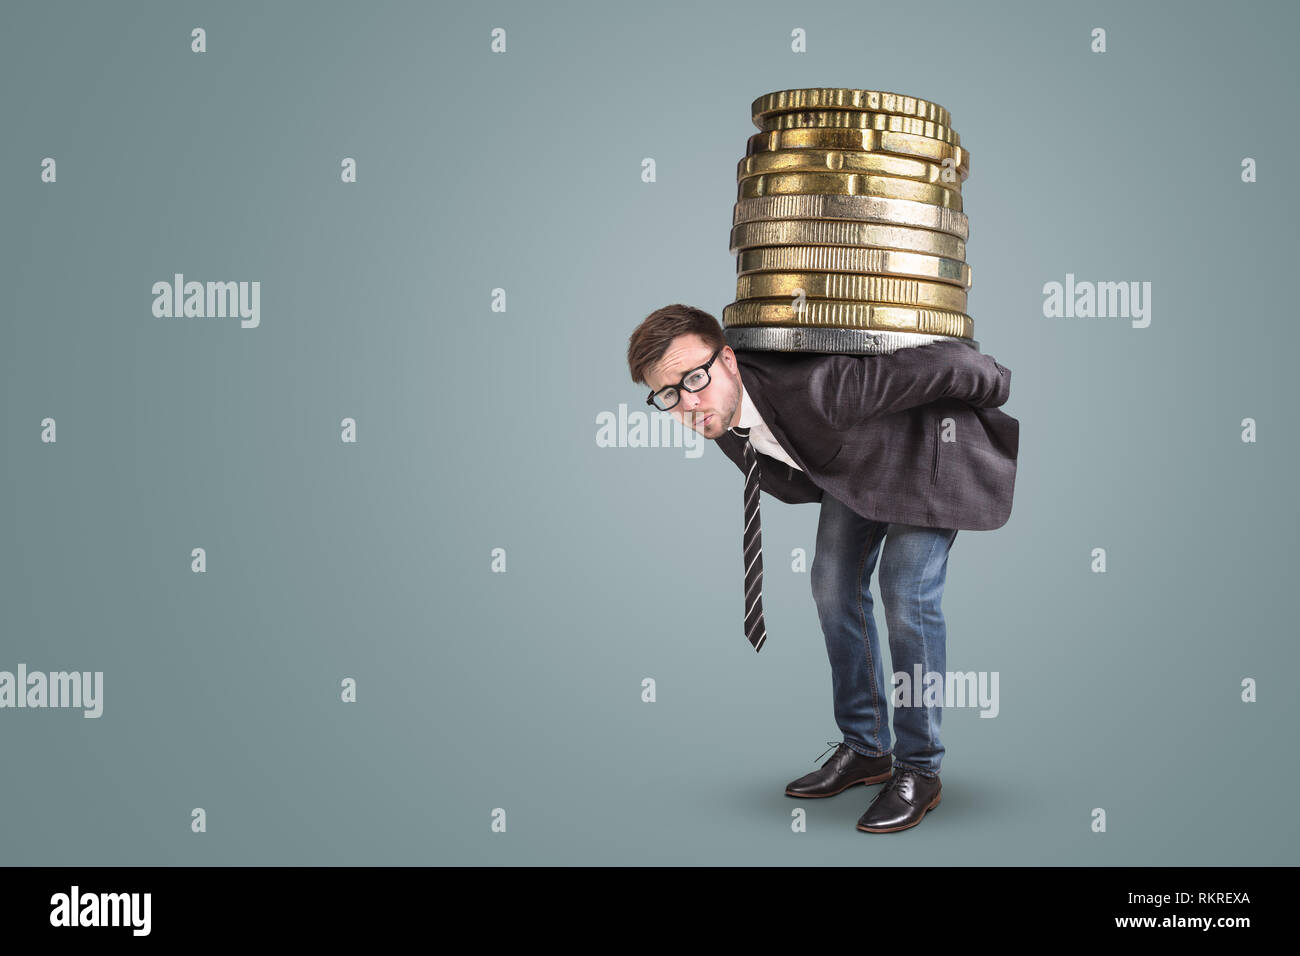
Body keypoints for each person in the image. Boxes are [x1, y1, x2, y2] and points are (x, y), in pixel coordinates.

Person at [626, 303, 1019, 833]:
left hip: (927, 448)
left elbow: (951, 362)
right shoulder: (717, 418)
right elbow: (791, 466)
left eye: (695, 378)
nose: (688, 402)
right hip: (857, 462)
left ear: (729, 360)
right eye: (668, 394)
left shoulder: (817, 387)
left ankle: (920, 768)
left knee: (905, 593)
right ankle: (867, 747)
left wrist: (997, 385)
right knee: (832, 586)